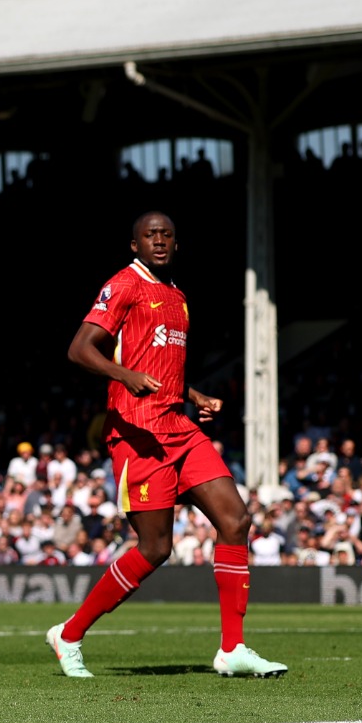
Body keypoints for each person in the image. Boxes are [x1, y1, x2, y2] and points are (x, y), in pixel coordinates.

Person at [46, 212, 286, 679]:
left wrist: (194, 396)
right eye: (149, 235)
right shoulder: (124, 284)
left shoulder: (177, 296)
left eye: (166, 234)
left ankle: (233, 648)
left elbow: (160, 366)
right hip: (137, 432)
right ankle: (69, 633)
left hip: (179, 426)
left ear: (177, 244)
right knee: (155, 548)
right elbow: (79, 348)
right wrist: (124, 375)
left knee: (236, 520)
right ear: (134, 244)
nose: (159, 240)